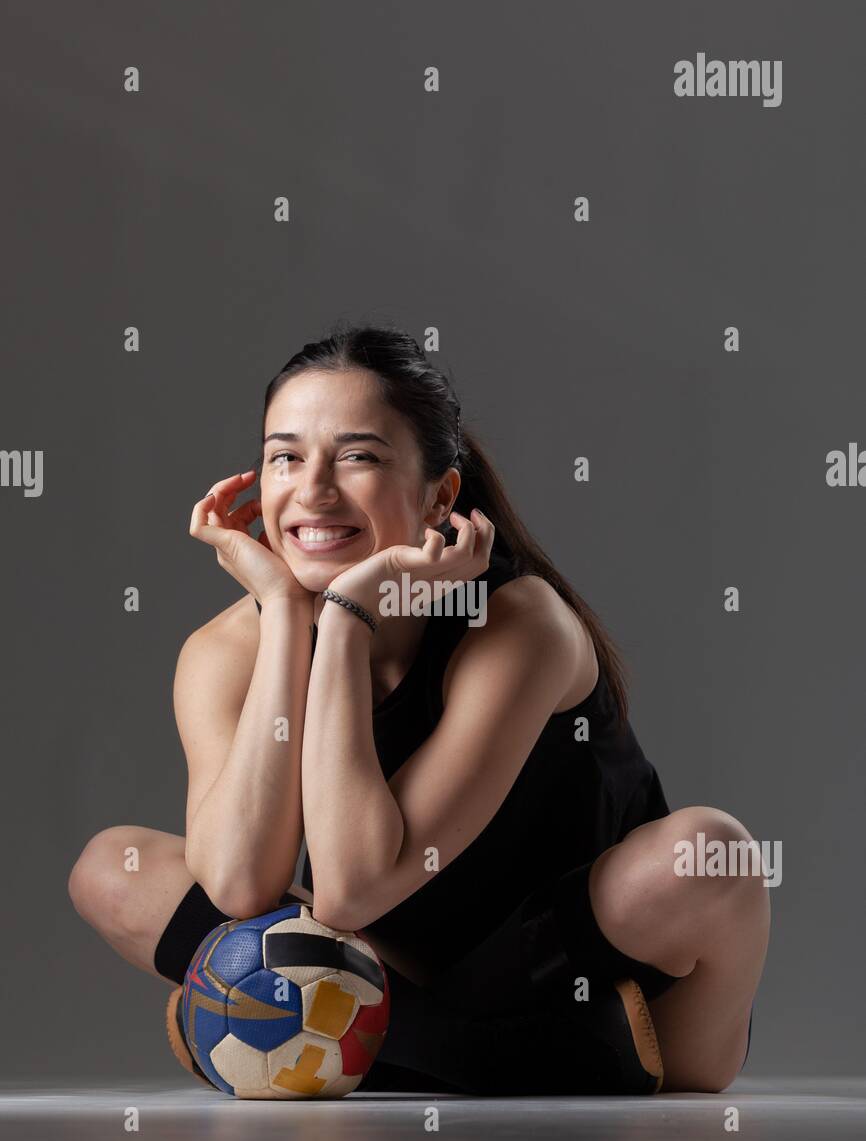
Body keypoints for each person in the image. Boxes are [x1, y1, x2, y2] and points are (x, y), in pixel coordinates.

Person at [68, 324, 769, 1095]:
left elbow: (346, 892)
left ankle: (389, 1045)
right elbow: (240, 885)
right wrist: (286, 613)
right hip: (397, 958)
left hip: (585, 959)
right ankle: (510, 1056)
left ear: (441, 494)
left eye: (358, 456)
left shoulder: (519, 624)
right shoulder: (223, 651)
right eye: (285, 456)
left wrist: (341, 617)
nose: (313, 490)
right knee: (111, 869)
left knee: (710, 851)